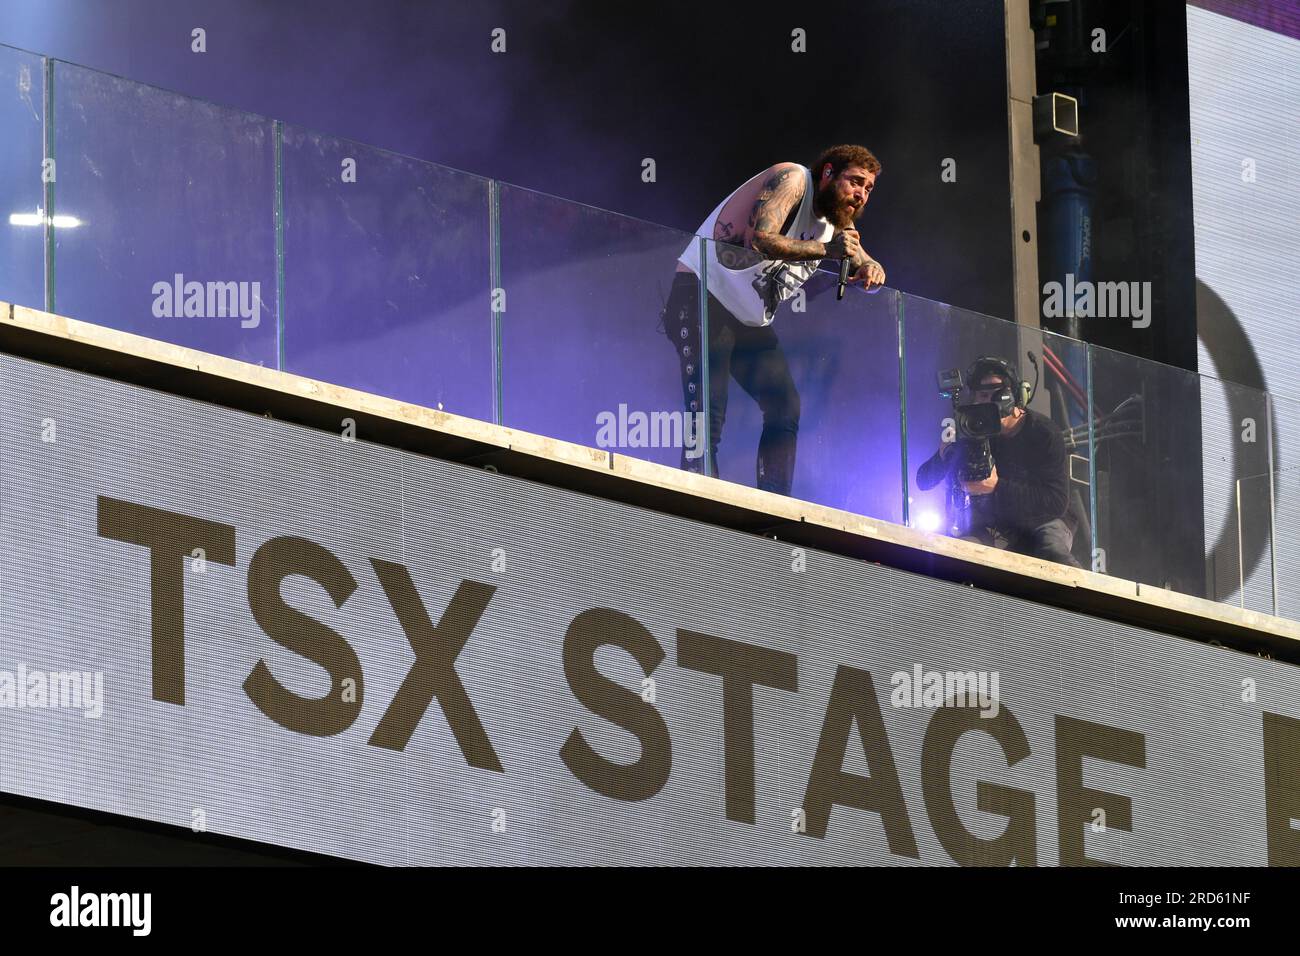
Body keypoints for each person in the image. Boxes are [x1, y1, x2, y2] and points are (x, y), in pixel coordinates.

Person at [658, 144, 886, 495]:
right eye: (855, 181)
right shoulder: (793, 178)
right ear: (827, 174)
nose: (861, 193)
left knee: (784, 406)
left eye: (869, 188)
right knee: (709, 411)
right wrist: (829, 252)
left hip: (748, 320)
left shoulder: (835, 223)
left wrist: (870, 271)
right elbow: (760, 240)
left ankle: (775, 507)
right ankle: (697, 503)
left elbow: (857, 262)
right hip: (703, 295)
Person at [916, 357, 1081, 567]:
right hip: (997, 521)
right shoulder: (974, 429)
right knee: (960, 555)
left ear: (1014, 395)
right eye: (981, 395)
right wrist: (942, 455)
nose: (987, 402)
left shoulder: (1044, 433)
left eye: (993, 394)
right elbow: (924, 481)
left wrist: (996, 487)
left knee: (1052, 553)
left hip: (1045, 519)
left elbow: (1056, 502)